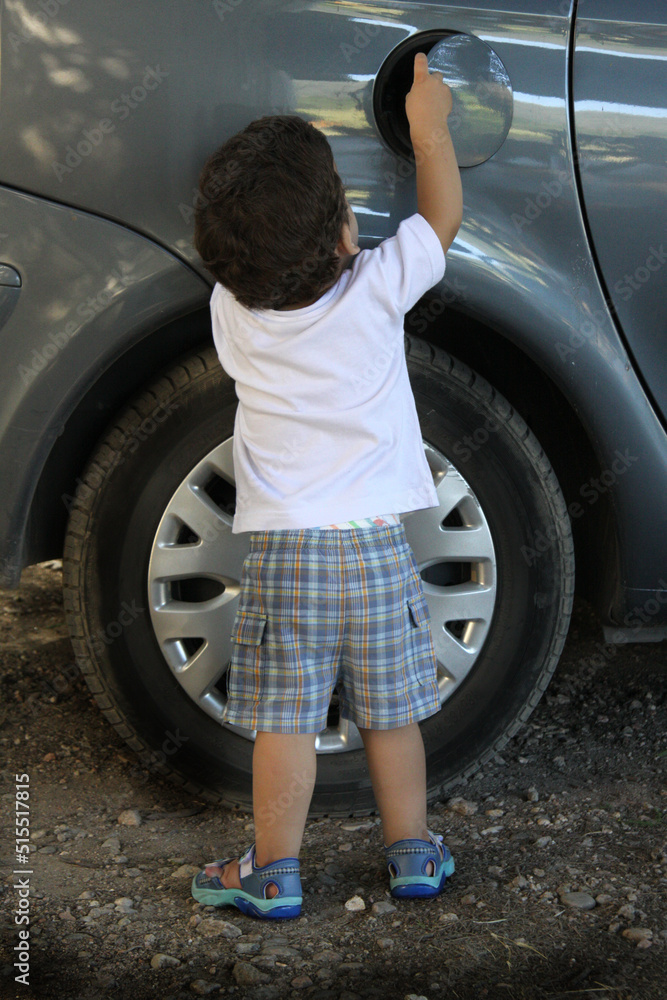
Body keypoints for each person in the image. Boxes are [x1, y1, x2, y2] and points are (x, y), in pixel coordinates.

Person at [191, 52, 463, 919]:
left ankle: (274, 871)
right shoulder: (379, 288)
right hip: (376, 549)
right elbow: (441, 218)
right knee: (391, 716)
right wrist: (427, 130)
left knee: (286, 722)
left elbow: (265, 277)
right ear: (347, 236)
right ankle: (412, 853)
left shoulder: (231, 314)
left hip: (287, 556)